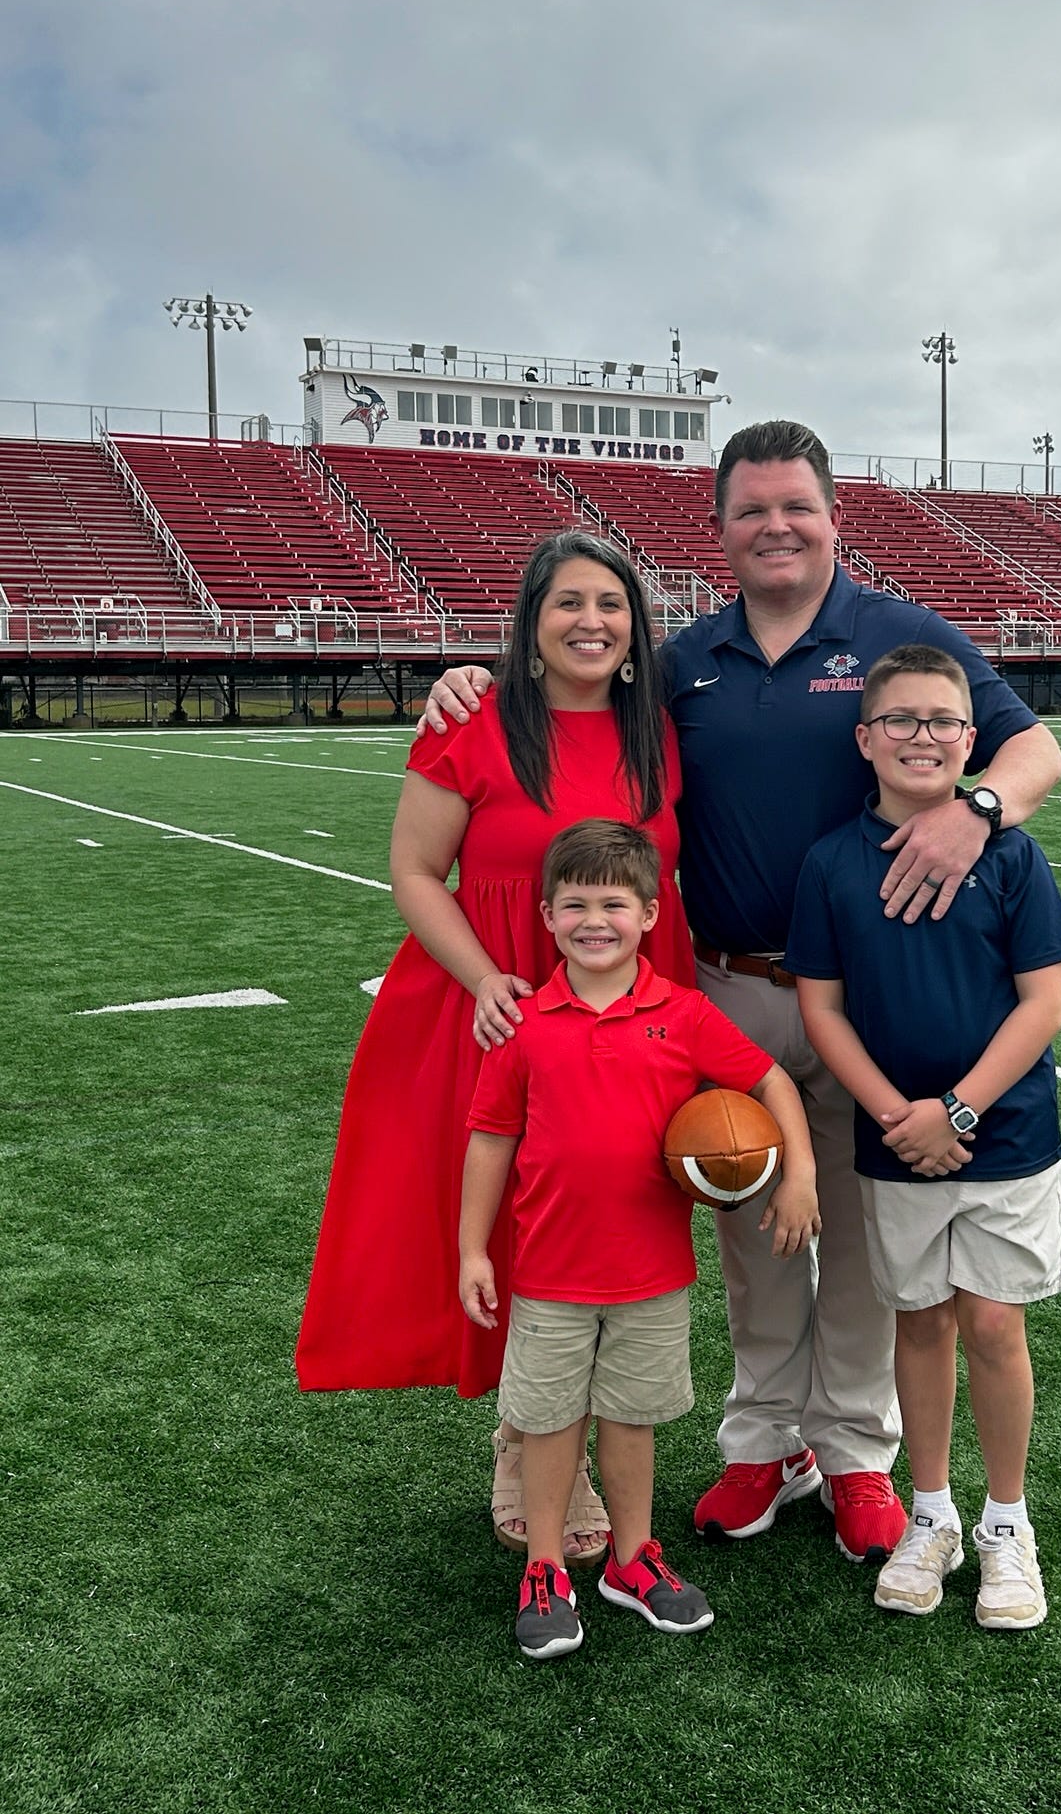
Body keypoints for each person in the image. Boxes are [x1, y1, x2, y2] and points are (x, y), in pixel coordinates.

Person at [424, 419, 1061, 1567]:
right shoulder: (685, 657)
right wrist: (472, 672)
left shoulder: (901, 632)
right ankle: (765, 1436)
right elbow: (570, 690)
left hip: (875, 999)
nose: (777, 526)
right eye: (752, 509)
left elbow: (1034, 750)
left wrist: (975, 814)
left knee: (870, 1238)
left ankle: (858, 1449)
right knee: (755, 1226)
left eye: (797, 506)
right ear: (719, 531)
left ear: (834, 516)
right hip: (729, 985)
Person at [297, 528, 695, 1570]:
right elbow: (416, 869)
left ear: (635, 626)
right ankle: (522, 1437)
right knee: (520, 1215)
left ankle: (604, 1442)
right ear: (529, 620)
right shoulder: (472, 722)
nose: (591, 622)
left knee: (616, 1212)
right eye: (567, 602)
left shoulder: (657, 725)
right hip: (503, 1000)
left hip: (632, 1005)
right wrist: (485, 979)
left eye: (611, 603)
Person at [460, 819, 818, 1660]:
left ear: (652, 914)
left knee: (631, 1420)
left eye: (614, 903)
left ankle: (630, 1557)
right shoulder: (524, 1025)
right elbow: (489, 1140)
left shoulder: (683, 1013)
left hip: (652, 1275)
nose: (595, 920)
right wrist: (474, 1249)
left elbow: (767, 1078)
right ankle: (545, 1565)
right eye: (575, 904)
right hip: (548, 1273)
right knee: (550, 1424)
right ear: (547, 916)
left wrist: (797, 1171)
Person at [785, 644, 1061, 1628]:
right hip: (895, 1141)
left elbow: (1045, 1002)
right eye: (901, 719)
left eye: (944, 721)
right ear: (865, 739)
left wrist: (954, 1110)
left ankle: (1005, 1519)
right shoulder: (830, 862)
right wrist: (894, 1116)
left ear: (971, 739)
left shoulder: (1011, 854)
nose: (923, 736)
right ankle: (931, 1510)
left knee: (993, 1322)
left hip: (1005, 1136)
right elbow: (821, 1009)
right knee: (919, 1320)